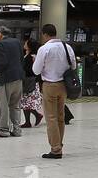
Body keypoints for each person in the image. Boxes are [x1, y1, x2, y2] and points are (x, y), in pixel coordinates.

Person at [32, 23, 75, 159]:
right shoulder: (67, 47)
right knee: (60, 117)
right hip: (64, 86)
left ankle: (55, 149)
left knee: (51, 118)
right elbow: (73, 65)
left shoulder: (44, 49)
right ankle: (59, 144)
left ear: (45, 34)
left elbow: (36, 70)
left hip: (50, 85)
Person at [0, 26, 24, 138]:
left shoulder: (0, 45)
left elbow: (3, 62)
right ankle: (17, 129)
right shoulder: (17, 42)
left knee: (3, 105)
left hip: (6, 78)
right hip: (18, 77)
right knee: (15, 105)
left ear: (0, 34)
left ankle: (3, 130)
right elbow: (21, 59)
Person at [20, 39, 43, 128]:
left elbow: (30, 70)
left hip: (30, 81)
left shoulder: (31, 57)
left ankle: (36, 116)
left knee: (27, 101)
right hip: (29, 81)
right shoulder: (28, 55)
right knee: (26, 102)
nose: (24, 44)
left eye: (26, 43)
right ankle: (28, 121)